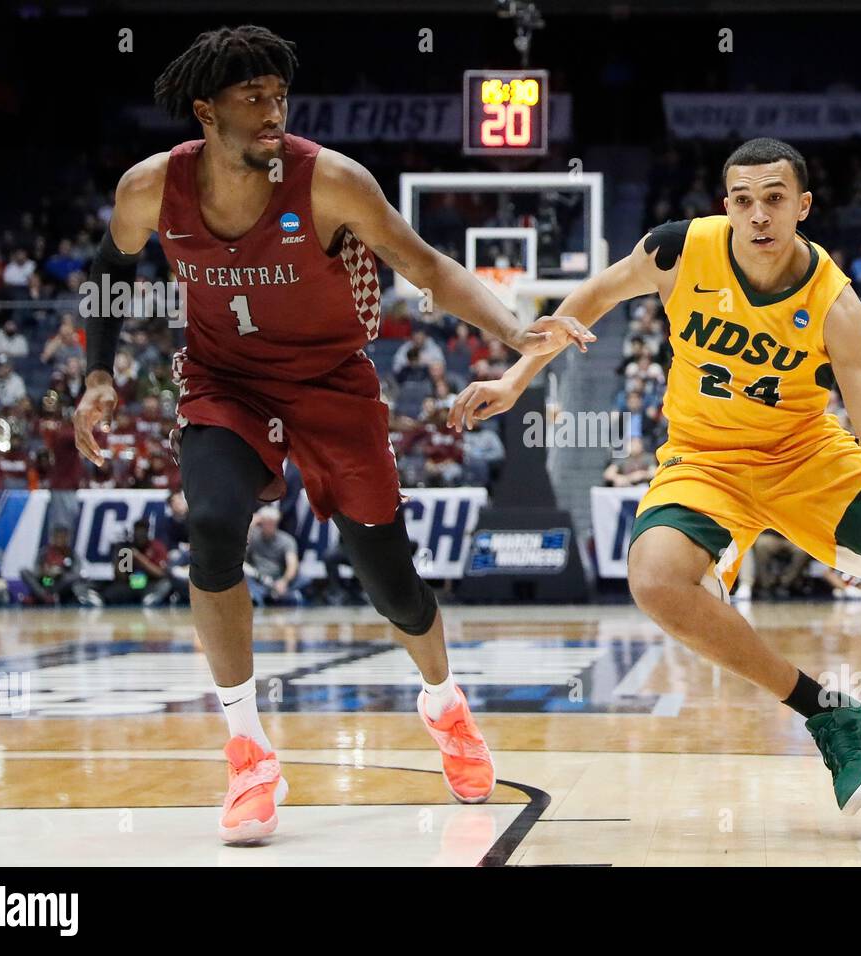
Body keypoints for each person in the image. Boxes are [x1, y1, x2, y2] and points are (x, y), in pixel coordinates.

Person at [451, 136, 861, 832]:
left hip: (807, 459)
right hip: (705, 459)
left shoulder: (835, 302)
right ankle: (830, 715)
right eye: (743, 201)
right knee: (653, 577)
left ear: (802, 206)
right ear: (727, 207)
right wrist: (513, 378)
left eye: (774, 200)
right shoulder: (678, 251)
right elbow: (581, 305)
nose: (758, 215)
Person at [71, 25, 591, 844]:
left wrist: (514, 330)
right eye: (253, 97)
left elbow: (428, 267)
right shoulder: (151, 188)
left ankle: (445, 705)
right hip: (223, 383)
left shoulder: (331, 181)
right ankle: (248, 751)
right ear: (206, 111)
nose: (273, 110)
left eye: (280, 95)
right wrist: (98, 376)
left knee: (392, 581)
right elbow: (107, 266)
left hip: (331, 385)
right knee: (209, 528)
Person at [95, 518, 173, 606]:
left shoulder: (156, 547)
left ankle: (150, 600)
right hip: (131, 585)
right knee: (113, 591)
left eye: (142, 533)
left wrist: (139, 558)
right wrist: (119, 560)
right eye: (137, 533)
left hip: (150, 583)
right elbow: (121, 578)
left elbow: (160, 573)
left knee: (166, 584)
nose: (140, 536)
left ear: (147, 533)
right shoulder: (127, 549)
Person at [21, 525, 100, 607]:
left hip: (59, 583)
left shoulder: (72, 554)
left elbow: (76, 573)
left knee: (72, 579)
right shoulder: (44, 553)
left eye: (62, 537)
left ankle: (42, 597)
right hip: (45, 581)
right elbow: (36, 570)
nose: (59, 539)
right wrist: (45, 572)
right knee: (24, 572)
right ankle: (45, 597)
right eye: (57, 536)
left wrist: (60, 572)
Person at [243, 507, 302, 606]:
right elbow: (240, 550)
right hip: (255, 579)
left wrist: (284, 581)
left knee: (298, 593)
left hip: (278, 579)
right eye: (266, 522)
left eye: (272, 523)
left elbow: (292, 565)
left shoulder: (287, 540)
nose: (270, 526)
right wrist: (252, 522)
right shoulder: (253, 537)